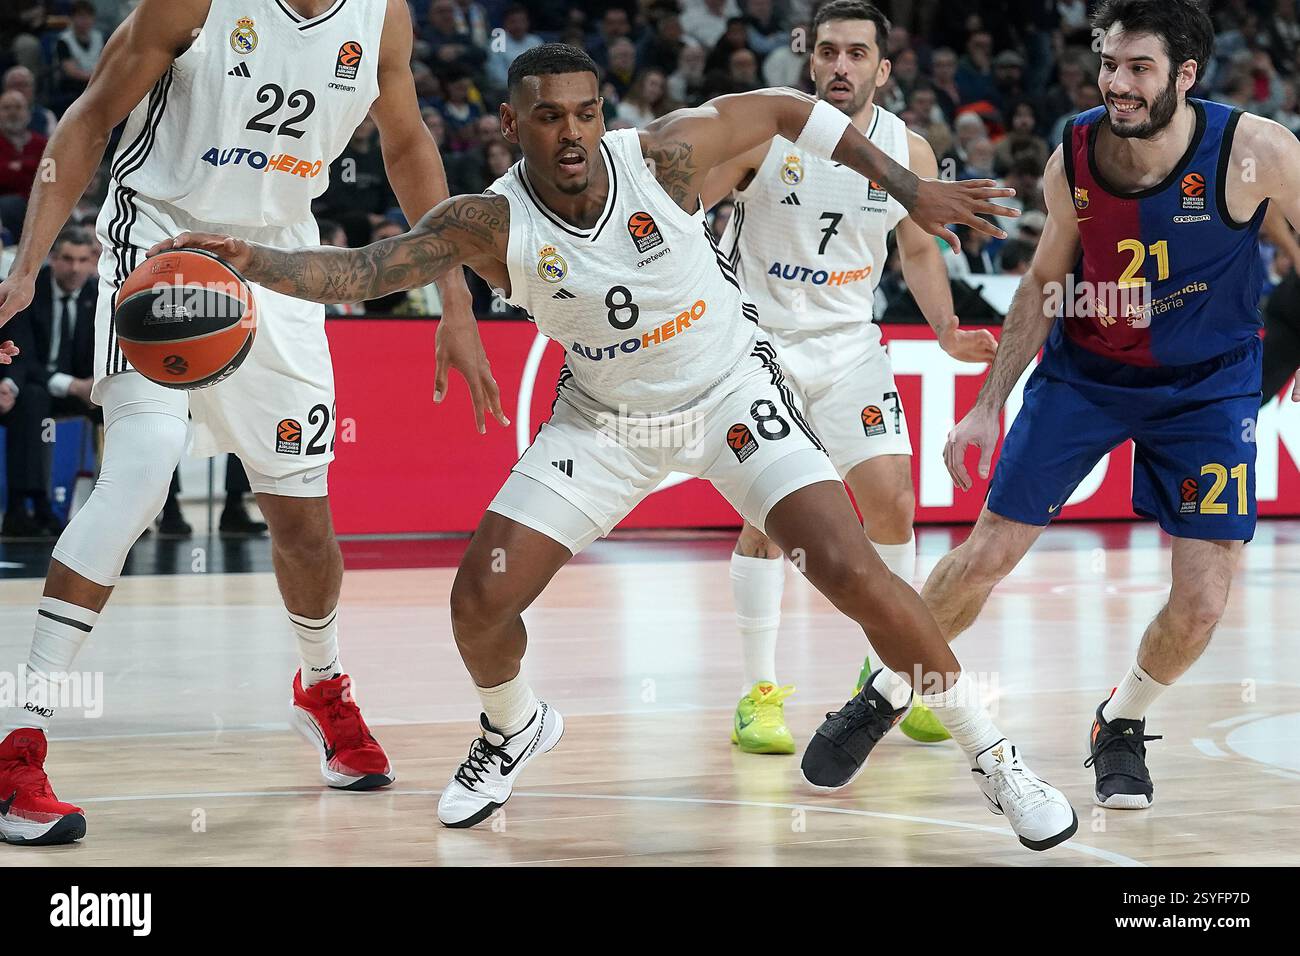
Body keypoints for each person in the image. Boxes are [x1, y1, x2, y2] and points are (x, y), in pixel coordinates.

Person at [162, 43, 1079, 852]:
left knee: (851, 569)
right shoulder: (489, 222)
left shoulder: (667, 159)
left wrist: (908, 184)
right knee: (478, 598)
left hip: (729, 392)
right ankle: (512, 727)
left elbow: (793, 111)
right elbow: (366, 270)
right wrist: (257, 259)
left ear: (605, 113)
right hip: (604, 419)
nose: (571, 133)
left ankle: (995, 758)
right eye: (550, 116)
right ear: (511, 122)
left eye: (587, 112)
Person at [0, 0, 503, 848]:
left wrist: (452, 297)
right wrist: (24, 272)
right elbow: (88, 119)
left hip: (282, 266)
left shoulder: (382, 17)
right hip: (161, 245)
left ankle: (323, 687)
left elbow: (409, 142)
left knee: (304, 522)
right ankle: (20, 741)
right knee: (142, 471)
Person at [925, 0, 1300, 812]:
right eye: (1110, 65)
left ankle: (1120, 722)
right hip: (1087, 375)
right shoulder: (1075, 149)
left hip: (1208, 388)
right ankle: (885, 686)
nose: (1117, 84)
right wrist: (989, 402)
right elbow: (1043, 281)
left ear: (1186, 77)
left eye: (1139, 69)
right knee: (986, 555)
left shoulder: (1257, 151)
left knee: (1203, 601)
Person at [699, 0, 997, 755]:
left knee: (894, 504)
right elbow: (684, 207)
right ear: (810, 60)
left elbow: (921, 250)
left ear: (882, 69)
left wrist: (947, 332)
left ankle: (889, 673)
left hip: (848, 348)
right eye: (827, 51)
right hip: (757, 346)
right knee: (770, 521)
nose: (839, 65)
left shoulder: (909, 151)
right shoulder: (765, 134)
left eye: (856, 53)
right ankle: (756, 694)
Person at [1, 226, 98, 539]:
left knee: (129, 407)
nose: (75, 268)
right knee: (31, 400)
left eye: (83, 260)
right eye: (67, 259)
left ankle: (161, 509)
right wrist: (72, 385)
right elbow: (23, 356)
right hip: (36, 381)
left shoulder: (98, 294)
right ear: (52, 260)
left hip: (83, 387)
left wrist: (95, 384)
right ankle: (27, 504)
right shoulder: (30, 291)